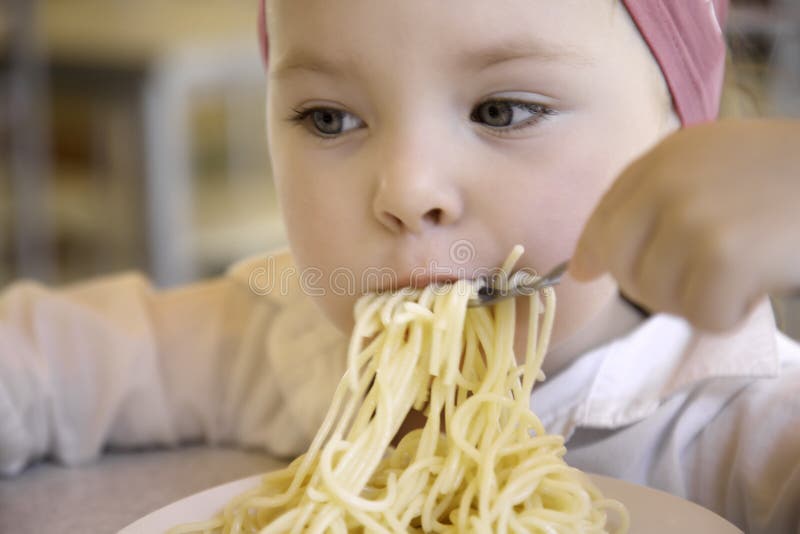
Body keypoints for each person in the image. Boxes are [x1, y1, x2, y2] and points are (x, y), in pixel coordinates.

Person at [1, 0, 799, 532]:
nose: (407, 192)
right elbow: (41, 355)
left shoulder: (739, 413)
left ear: (679, 133)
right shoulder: (285, 338)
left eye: (502, 111)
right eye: (329, 118)